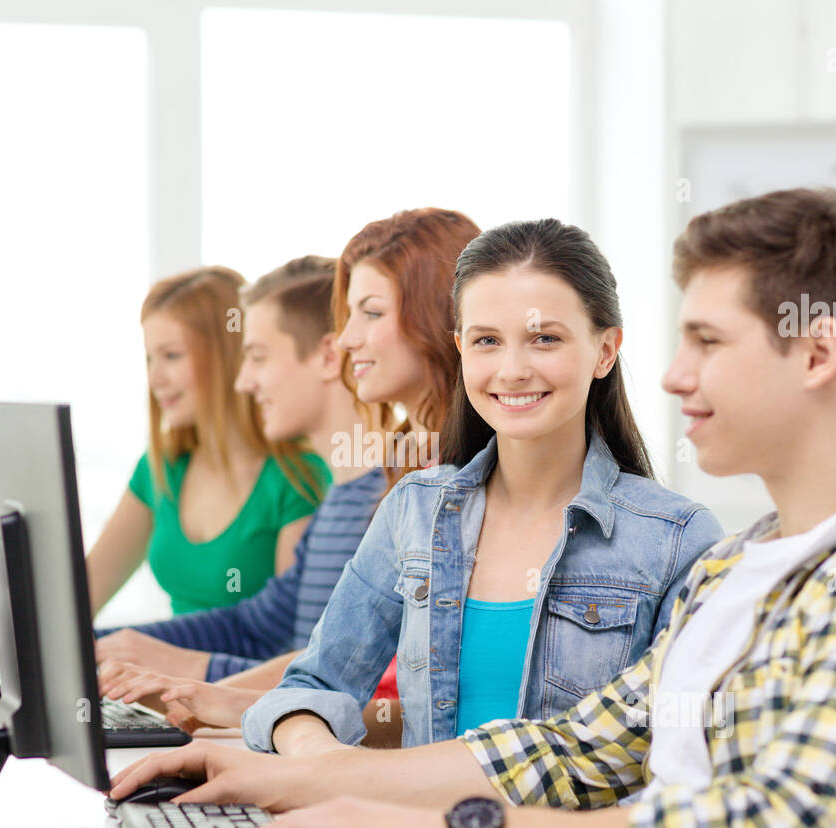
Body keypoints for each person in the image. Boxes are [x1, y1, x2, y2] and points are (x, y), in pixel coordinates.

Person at [109, 189, 836, 828]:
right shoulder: (741, 567)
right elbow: (569, 749)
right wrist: (289, 777)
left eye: (707, 340)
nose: (672, 373)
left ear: (820, 355)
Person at [216, 217, 720, 755]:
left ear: (605, 349)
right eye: (486, 341)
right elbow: (313, 686)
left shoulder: (677, 539)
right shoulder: (413, 509)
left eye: (544, 339)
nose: (512, 369)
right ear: (460, 349)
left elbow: (677, 757)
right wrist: (323, 759)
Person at [95, 210, 482, 740]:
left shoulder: (430, 483)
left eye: (369, 313)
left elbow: (374, 688)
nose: (346, 340)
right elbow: (318, 652)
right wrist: (202, 690)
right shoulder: (399, 479)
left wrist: (220, 698)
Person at [0, 265, 330, 661]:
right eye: (149, 359)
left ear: (229, 355)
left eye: (171, 356)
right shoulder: (163, 468)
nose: (155, 377)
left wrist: (128, 655)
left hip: (227, 702)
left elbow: (288, 652)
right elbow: (67, 607)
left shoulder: (299, 478)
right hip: (172, 689)